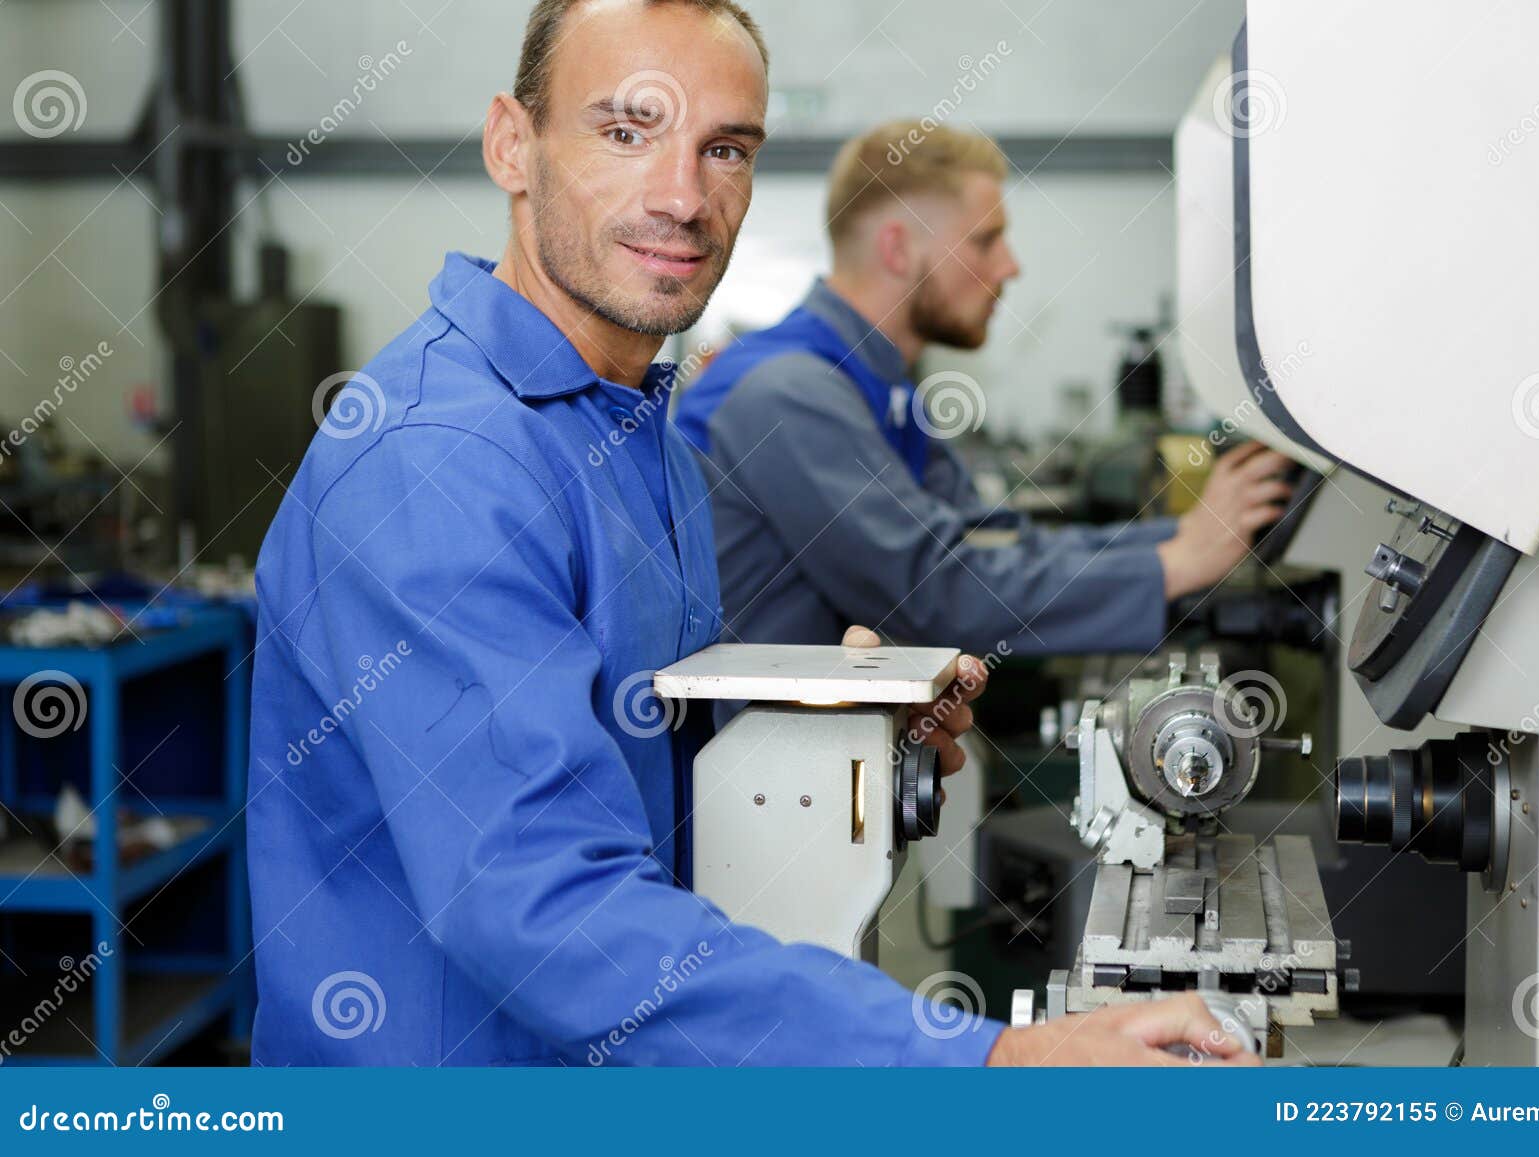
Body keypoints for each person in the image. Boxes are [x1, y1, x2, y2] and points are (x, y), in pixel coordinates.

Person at [248, 0, 1253, 1068]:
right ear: (512, 144)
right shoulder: (439, 458)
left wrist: (833, 719)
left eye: (722, 148)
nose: (683, 196)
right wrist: (988, 1059)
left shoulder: (640, 435)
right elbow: (546, 912)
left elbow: (641, 754)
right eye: (625, 131)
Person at [674, 122, 1293, 655]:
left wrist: (1181, 537)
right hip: (751, 771)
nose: (1011, 266)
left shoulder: (877, 387)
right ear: (898, 248)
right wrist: (1174, 566)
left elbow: (987, 542)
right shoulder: (788, 394)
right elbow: (935, 591)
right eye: (985, 240)